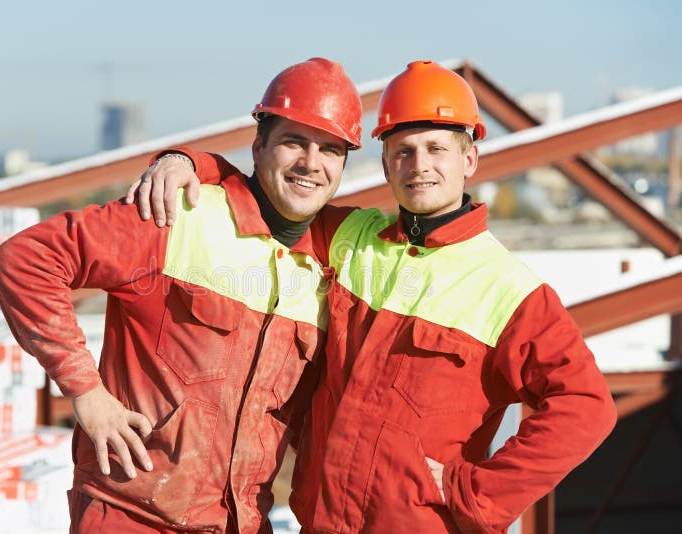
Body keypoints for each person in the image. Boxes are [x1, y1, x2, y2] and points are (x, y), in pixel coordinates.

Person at [129, 60, 617, 533]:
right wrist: (186, 160)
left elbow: (586, 405)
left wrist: (478, 495)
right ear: (385, 163)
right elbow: (274, 189)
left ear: (469, 158)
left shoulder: (510, 289)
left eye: (436, 149)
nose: (419, 166)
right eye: (403, 151)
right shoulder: (349, 236)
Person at [0, 57, 364, 533]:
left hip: (239, 524)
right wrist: (86, 393)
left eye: (330, 150)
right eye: (293, 141)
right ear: (259, 145)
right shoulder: (177, 214)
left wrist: (192, 158)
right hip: (131, 516)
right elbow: (25, 260)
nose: (311, 163)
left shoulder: (328, 263)